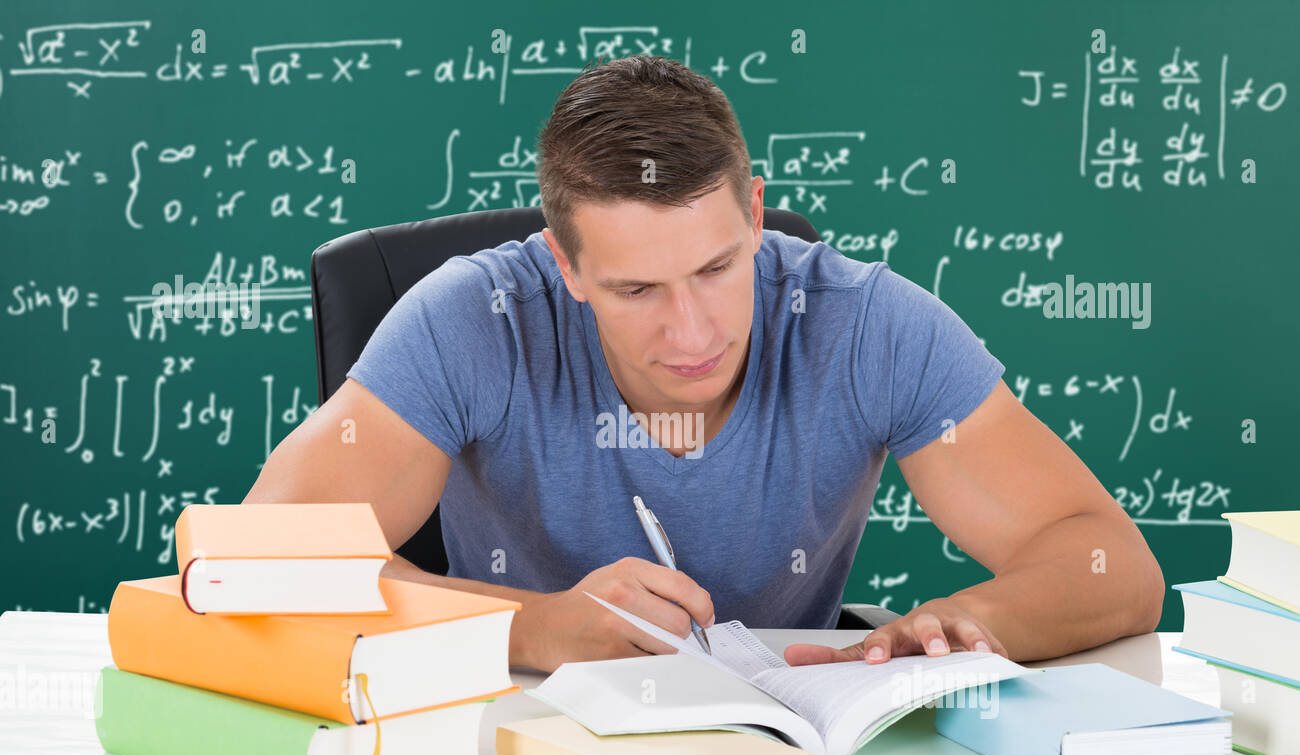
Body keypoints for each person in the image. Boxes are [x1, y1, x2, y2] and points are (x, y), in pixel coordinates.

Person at [246, 56, 1163, 672]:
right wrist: (532, 624)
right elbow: (257, 558)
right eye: (638, 289)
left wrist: (976, 619)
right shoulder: (471, 320)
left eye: (719, 268)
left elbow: (1110, 561)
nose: (692, 334)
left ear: (756, 215)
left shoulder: (868, 323)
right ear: (564, 266)